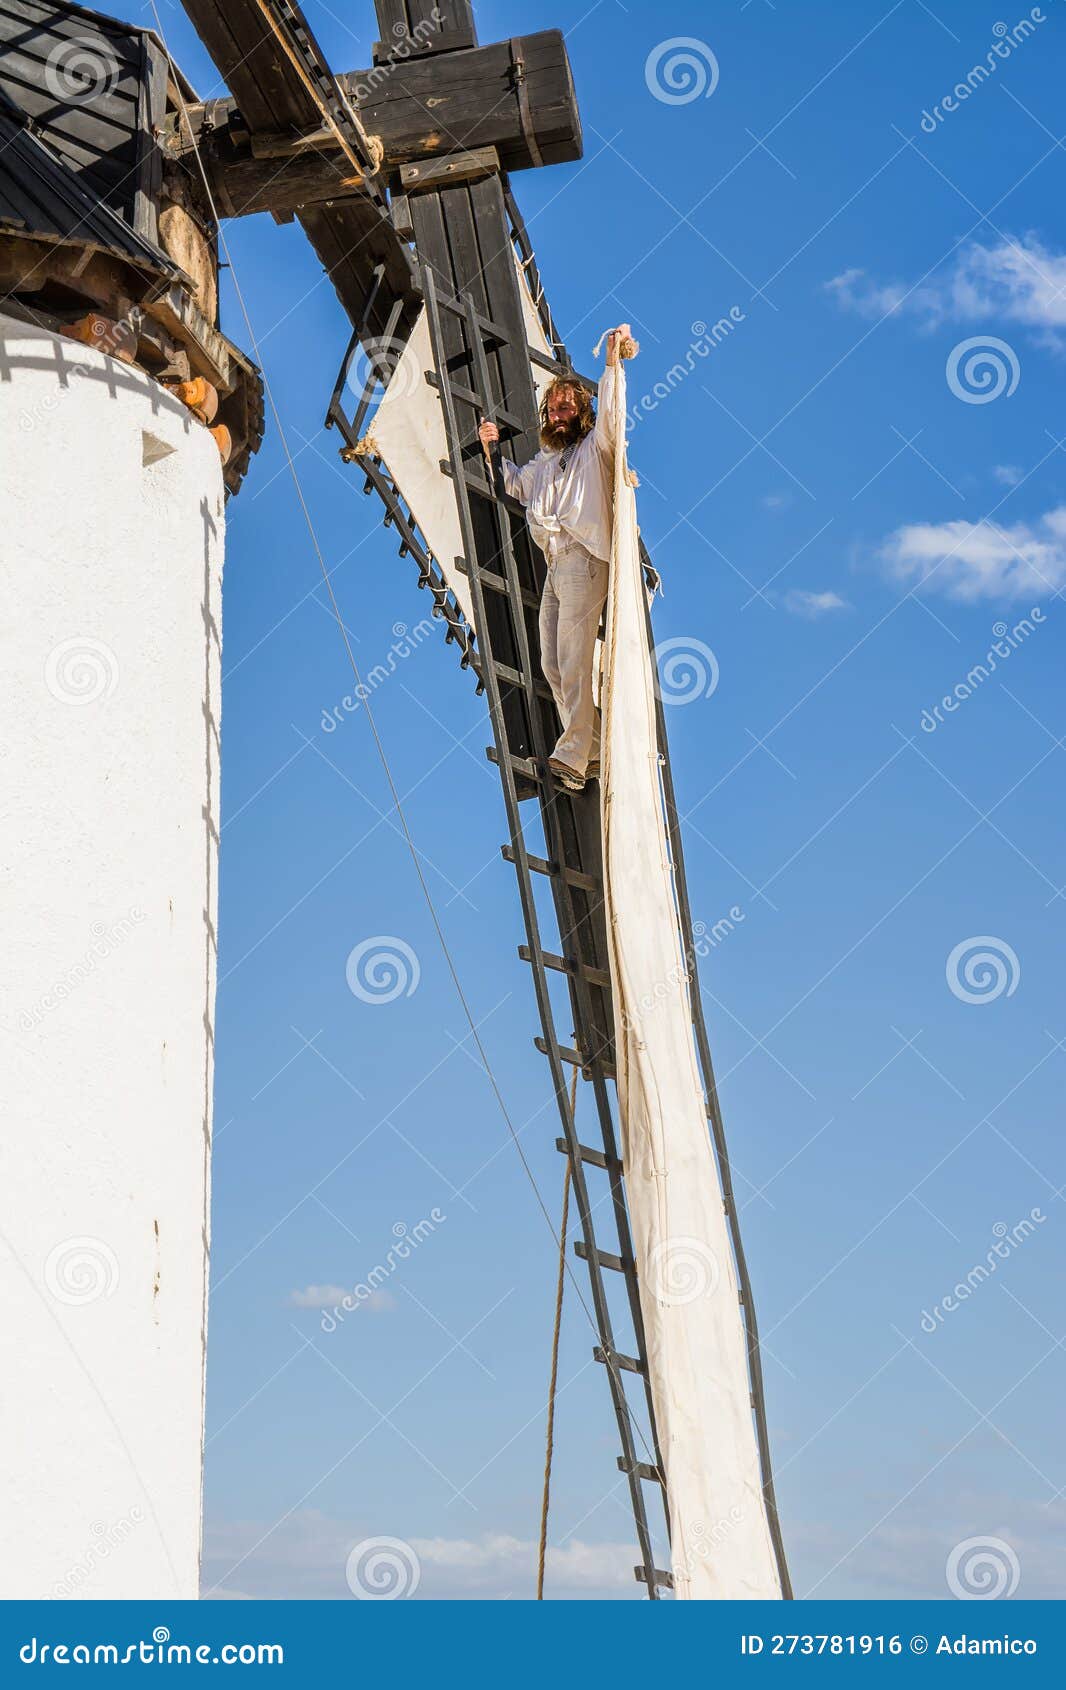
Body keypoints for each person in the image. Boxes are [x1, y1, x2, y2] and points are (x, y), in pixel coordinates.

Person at [478, 325, 630, 793]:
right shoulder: (543, 465)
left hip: (585, 558)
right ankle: (596, 748)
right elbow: (513, 484)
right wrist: (490, 446)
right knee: (552, 664)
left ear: (580, 412)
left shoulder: (594, 449)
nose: (560, 413)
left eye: (568, 407)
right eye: (555, 407)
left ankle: (570, 757)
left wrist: (612, 365)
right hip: (556, 565)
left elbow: (612, 417)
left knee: (573, 658)